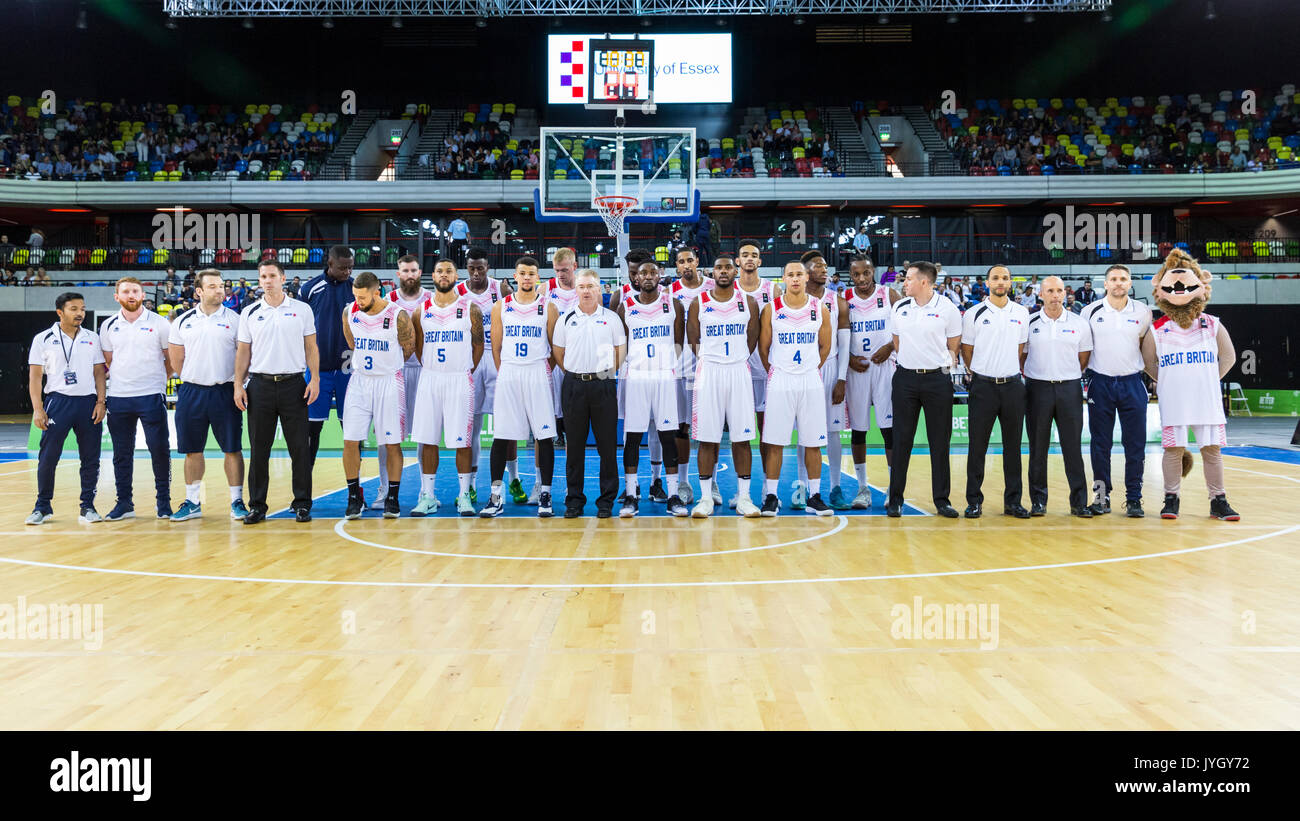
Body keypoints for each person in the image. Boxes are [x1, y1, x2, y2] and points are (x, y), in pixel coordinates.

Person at [1140, 252, 1240, 521]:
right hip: (1174, 400)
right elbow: (1148, 362)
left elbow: (1229, 357)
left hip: (1206, 399)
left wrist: (1209, 378)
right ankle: (1171, 498)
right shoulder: (1157, 328)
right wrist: (1167, 381)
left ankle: (1218, 500)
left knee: (1212, 450)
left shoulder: (1211, 323)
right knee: (1173, 451)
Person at [233, 260, 320, 525]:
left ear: (283, 278)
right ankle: (257, 506)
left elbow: (311, 347)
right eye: (263, 276)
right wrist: (238, 384)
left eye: (272, 275)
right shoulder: (249, 312)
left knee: (300, 450)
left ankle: (302, 504)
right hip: (259, 386)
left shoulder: (302, 310)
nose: (267, 280)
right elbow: (243, 352)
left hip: (294, 384)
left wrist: (314, 378)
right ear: (259, 281)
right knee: (259, 450)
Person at [166, 269, 248, 522]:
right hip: (192, 391)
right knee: (192, 450)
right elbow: (176, 360)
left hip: (225, 390)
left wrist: (238, 384)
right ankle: (192, 502)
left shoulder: (236, 320)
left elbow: (243, 356)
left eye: (221, 286)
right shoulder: (182, 321)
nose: (219, 290)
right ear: (199, 291)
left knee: (232, 448)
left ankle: (237, 500)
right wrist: (196, 375)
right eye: (212, 286)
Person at [479, 257, 556, 518]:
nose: (526, 278)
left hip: (537, 370)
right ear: (515, 275)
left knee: (544, 435)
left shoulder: (548, 307)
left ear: (538, 278)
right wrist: (508, 371)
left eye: (531, 274)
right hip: (510, 371)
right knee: (502, 435)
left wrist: (543, 370)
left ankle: (545, 494)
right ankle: (495, 495)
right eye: (522, 273)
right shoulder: (501, 306)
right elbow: (497, 348)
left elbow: (555, 349)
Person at [685, 256, 760, 518]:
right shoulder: (699, 302)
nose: (724, 271)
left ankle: (744, 497)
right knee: (707, 437)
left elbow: (753, 338)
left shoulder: (748, 302)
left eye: (728, 267)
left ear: (735, 270)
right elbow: (693, 338)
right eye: (719, 268)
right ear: (712, 273)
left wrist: (735, 357)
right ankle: (705, 499)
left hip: (738, 369)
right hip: (710, 371)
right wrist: (713, 358)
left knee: (742, 437)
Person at [887, 261, 963, 518]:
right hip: (905, 379)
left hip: (937, 381)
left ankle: (942, 500)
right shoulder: (899, 307)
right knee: (901, 441)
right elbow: (896, 343)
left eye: (908, 279)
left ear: (924, 282)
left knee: (939, 443)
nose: (903, 282)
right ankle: (895, 499)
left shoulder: (948, 308)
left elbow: (953, 346)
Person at [757, 261, 833, 516]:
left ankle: (814, 496)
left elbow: (825, 347)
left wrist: (810, 368)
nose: (795, 278)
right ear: (784, 279)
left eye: (799, 274)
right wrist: (781, 368)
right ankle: (771, 496)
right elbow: (763, 348)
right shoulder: (772, 309)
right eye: (790, 274)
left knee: (813, 442)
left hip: (810, 379)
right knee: (775, 441)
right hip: (781, 379)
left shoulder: (819, 307)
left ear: (806, 277)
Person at [26, 292, 107, 525]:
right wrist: (38, 409)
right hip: (57, 402)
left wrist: (101, 401)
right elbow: (35, 376)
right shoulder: (43, 338)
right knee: (49, 457)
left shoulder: (93, 338)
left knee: (91, 458)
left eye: (82, 308)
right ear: (60, 312)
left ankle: (88, 507)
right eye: (73, 308)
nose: (80, 313)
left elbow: (99, 372)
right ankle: (42, 506)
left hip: (88, 403)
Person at [410, 258, 484, 517]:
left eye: (449, 271)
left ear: (456, 275)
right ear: (433, 275)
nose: (444, 275)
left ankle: (464, 495)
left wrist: (463, 368)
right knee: (428, 439)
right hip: (430, 378)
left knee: (461, 441)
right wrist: (433, 367)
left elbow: (479, 346)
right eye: (439, 271)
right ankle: (428, 496)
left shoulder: (470, 308)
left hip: (459, 378)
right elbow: (418, 347)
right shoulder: (421, 310)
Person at [614, 261, 688, 518]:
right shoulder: (626, 306)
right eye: (642, 273)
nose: (647, 276)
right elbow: (622, 344)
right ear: (636, 278)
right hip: (636, 378)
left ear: (660, 276)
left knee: (668, 436)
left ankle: (673, 494)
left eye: (652, 272)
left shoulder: (673, 304)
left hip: (664, 378)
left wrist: (665, 366)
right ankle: (631, 495)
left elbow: (678, 342)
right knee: (633, 438)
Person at [340, 271, 416, 519]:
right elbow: (352, 343)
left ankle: (392, 498)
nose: (358, 301)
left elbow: (409, 348)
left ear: (376, 292)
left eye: (362, 297)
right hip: (360, 382)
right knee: (350, 440)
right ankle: (354, 497)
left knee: (392, 443)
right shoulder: (349, 312)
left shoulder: (397, 315)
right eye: (355, 296)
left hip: (388, 382)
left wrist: (388, 364)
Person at [552, 269, 627, 518]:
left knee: (607, 446)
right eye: (582, 286)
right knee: (574, 446)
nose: (586, 290)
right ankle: (574, 499)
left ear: (599, 290)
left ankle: (606, 501)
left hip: (603, 384)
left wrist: (602, 374)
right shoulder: (565, 319)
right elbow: (559, 354)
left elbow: (620, 352)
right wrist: (577, 372)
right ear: (577, 290)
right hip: (573, 385)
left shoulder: (612, 319)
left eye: (590, 286)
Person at [99, 277, 174, 521]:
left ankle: (163, 502)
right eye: (126, 292)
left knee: (159, 450)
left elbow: (170, 359)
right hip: (119, 397)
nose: (131, 295)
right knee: (122, 454)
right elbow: (109, 360)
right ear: (116, 296)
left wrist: (156, 379)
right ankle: (124, 503)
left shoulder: (160, 323)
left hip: (151, 395)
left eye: (135, 291)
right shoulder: (108, 325)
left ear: (143, 295)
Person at [960, 265, 1031, 519]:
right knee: (977, 447)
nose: (1000, 282)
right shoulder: (973, 313)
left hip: (1012, 386)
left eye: (1005, 278)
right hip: (983, 387)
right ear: (987, 283)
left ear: (1011, 283)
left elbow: (1021, 349)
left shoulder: (1022, 312)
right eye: (996, 278)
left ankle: (1013, 501)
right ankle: (973, 501)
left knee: (1013, 447)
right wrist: (979, 371)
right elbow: (966, 350)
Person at [1081, 264, 1152, 518]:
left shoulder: (1143, 312)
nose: (1119, 283)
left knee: (1135, 444)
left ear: (1130, 283)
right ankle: (1101, 497)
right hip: (1100, 383)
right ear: (1106, 284)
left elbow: (1145, 346)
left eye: (1123, 279)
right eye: (1114, 279)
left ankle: (1134, 498)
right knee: (1100, 444)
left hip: (1132, 382)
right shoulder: (1089, 312)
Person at [1023, 275, 1093, 517]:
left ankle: (1079, 502)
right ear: (1040, 294)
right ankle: (1038, 502)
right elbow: (1021, 357)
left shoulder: (1079, 323)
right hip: (1037, 389)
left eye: (1059, 291)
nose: (1055, 295)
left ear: (1065, 294)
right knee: (1037, 448)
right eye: (1050, 291)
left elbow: (1083, 358)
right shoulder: (1029, 322)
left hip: (1069, 389)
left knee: (1072, 448)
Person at [458, 247, 523, 504]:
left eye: (480, 268)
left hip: (498, 359)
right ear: (467, 267)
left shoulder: (501, 290)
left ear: (487, 267)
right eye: (472, 268)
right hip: (471, 360)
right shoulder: (457, 292)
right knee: (470, 427)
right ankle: (471, 485)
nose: (476, 272)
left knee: (507, 426)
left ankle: (514, 479)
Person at [844, 255, 900, 508]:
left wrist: (890, 347)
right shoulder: (844, 299)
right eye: (856, 274)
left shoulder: (889, 295)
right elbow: (835, 335)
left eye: (866, 273)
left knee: (889, 430)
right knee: (859, 430)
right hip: (858, 369)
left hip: (884, 367)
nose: (862, 278)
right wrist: (848, 359)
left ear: (873, 271)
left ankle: (893, 488)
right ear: (851, 276)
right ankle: (862, 487)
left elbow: (906, 328)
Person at [798, 250, 851, 509]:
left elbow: (843, 344)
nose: (824, 269)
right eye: (818, 266)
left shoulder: (837, 301)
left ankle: (835, 487)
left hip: (830, 369)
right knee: (804, 433)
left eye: (825, 265)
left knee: (832, 432)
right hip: (804, 370)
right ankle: (801, 487)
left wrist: (841, 379)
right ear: (806, 272)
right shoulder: (794, 300)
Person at [377, 254, 431, 509]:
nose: (409, 275)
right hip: (395, 372)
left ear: (420, 272)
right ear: (398, 274)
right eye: (405, 271)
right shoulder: (387, 302)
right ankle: (384, 489)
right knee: (387, 435)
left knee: (425, 434)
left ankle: (426, 491)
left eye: (413, 270)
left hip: (424, 371)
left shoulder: (431, 300)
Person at [300, 245, 355, 469]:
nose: (348, 272)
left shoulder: (356, 289)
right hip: (317, 372)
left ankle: (356, 493)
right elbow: (299, 329)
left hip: (348, 370)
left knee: (352, 434)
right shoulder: (309, 289)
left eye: (351, 268)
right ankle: (304, 494)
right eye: (343, 268)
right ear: (330, 264)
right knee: (311, 432)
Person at [669, 247, 715, 506]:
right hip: (681, 367)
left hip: (710, 368)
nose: (686, 265)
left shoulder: (712, 287)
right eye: (681, 262)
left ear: (697, 261)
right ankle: (684, 482)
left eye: (690, 260)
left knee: (710, 427)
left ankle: (713, 485)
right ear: (676, 267)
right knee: (681, 428)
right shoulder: (670, 293)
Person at [735, 239, 780, 506]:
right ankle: (741, 492)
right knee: (740, 434)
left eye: (754, 255)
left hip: (766, 369)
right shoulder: (727, 289)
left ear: (760, 261)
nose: (750, 259)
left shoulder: (772, 289)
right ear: (737, 261)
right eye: (745, 255)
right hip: (738, 370)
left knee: (768, 432)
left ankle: (767, 489)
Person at [543, 248, 580, 449]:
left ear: (574, 266)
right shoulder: (546, 289)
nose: (559, 275)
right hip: (553, 353)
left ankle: (572, 433)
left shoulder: (585, 287)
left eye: (564, 270)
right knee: (552, 399)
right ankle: (555, 433)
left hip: (577, 353)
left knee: (574, 401)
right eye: (556, 270)